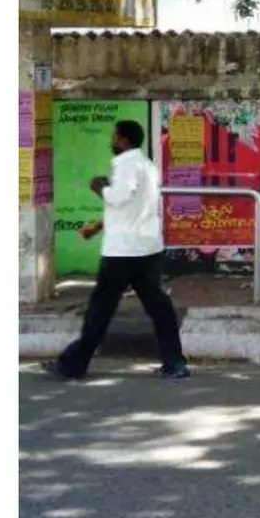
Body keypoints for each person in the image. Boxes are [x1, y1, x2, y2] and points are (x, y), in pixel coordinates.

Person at [43, 120, 189, 381]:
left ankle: (72, 364)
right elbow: (132, 207)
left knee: (100, 309)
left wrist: (99, 186)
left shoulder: (126, 165)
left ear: (123, 140)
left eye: (114, 136)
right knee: (159, 308)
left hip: (122, 252)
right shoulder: (147, 165)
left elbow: (119, 197)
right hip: (147, 247)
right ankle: (175, 363)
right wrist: (98, 225)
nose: (111, 140)